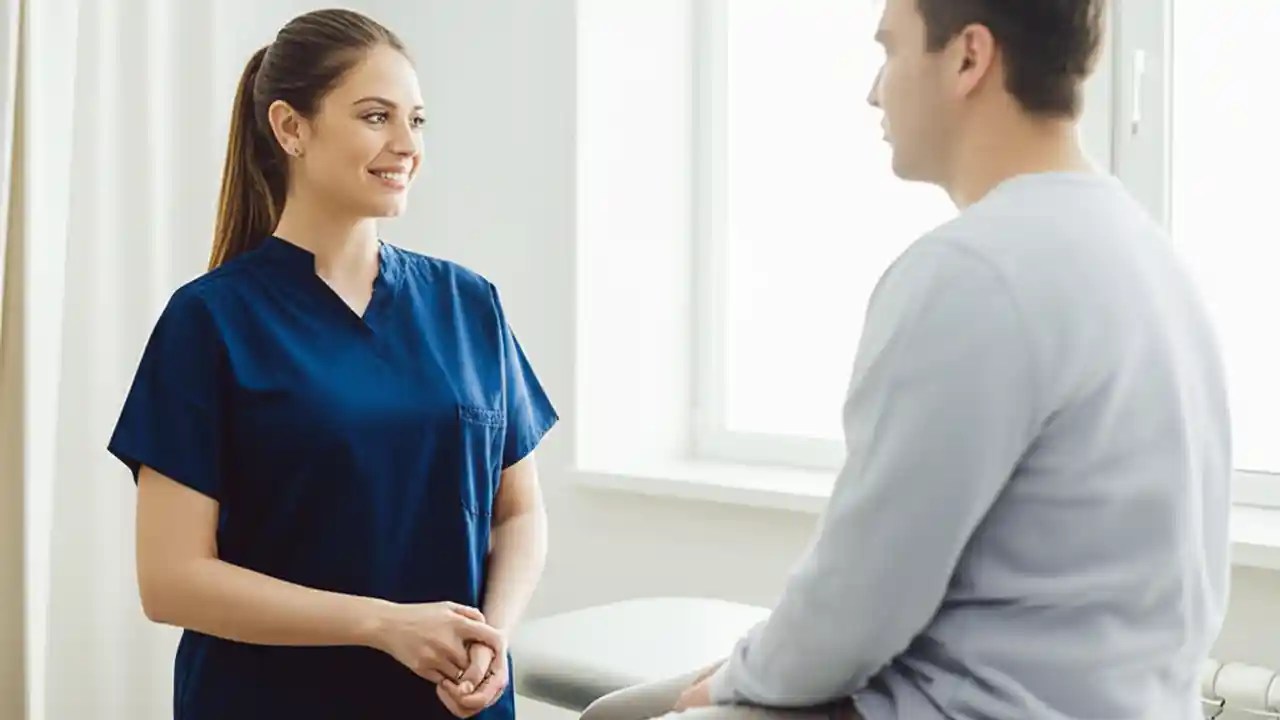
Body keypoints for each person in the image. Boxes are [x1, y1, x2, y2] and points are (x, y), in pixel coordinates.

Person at [582, 1, 1229, 719]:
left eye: (890, 51)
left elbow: (855, 608)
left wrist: (731, 683)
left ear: (968, 58)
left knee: (624, 715)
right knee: (630, 706)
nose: (874, 89)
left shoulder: (974, 272)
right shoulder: (1152, 258)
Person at [107, 9, 558, 720]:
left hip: (457, 705)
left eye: (417, 120)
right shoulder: (209, 322)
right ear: (291, 128)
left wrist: (491, 635)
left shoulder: (470, 304)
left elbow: (519, 512)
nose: (406, 144)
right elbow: (171, 581)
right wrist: (382, 624)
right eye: (376, 116)